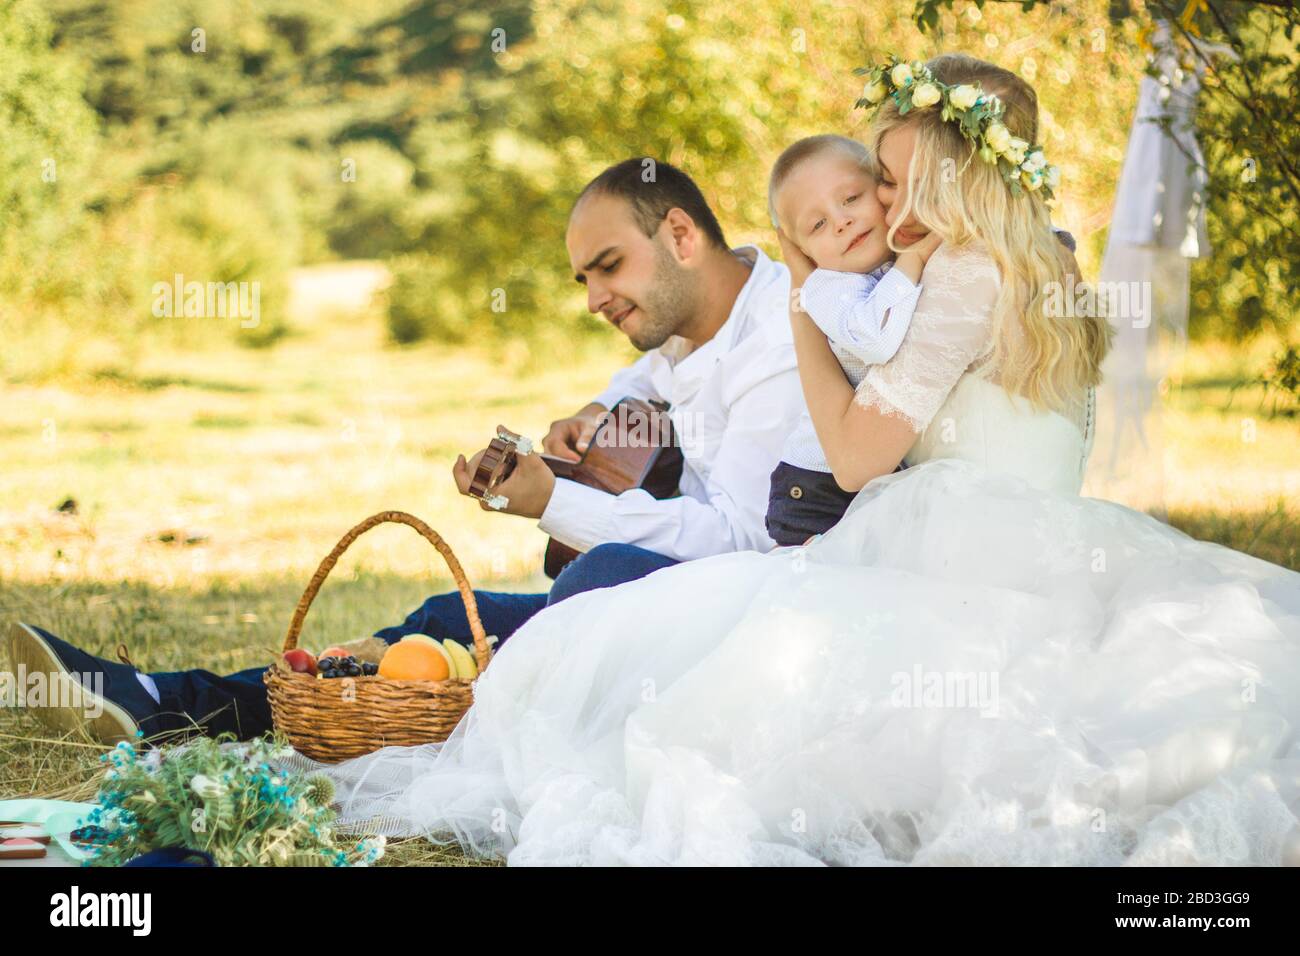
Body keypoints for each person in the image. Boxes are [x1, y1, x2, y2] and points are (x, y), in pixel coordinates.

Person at [305, 54, 1300, 866]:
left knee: (676, 672)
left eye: (896, 179)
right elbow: (665, 390)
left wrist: (801, 310)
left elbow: (862, 456)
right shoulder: (1042, 259)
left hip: (951, 564)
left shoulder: (955, 275)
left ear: (954, 174)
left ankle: (382, 685)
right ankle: (368, 672)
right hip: (1035, 559)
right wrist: (596, 426)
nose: (881, 200)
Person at [7, 158, 806, 744]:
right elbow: (655, 367)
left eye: (608, 269)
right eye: (583, 279)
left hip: (735, 620)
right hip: (672, 598)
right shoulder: (694, 313)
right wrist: (602, 405)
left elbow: (737, 543)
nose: (595, 299)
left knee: (578, 588)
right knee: (434, 625)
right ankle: (162, 699)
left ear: (679, 233)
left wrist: (551, 501)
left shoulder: (779, 347)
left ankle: (168, 706)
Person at [762, 133, 939, 546]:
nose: (841, 221)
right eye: (818, 224)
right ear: (802, 251)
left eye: (851, 199)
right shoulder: (825, 288)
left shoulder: (892, 263)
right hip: (815, 492)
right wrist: (912, 261)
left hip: (873, 480)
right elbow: (875, 339)